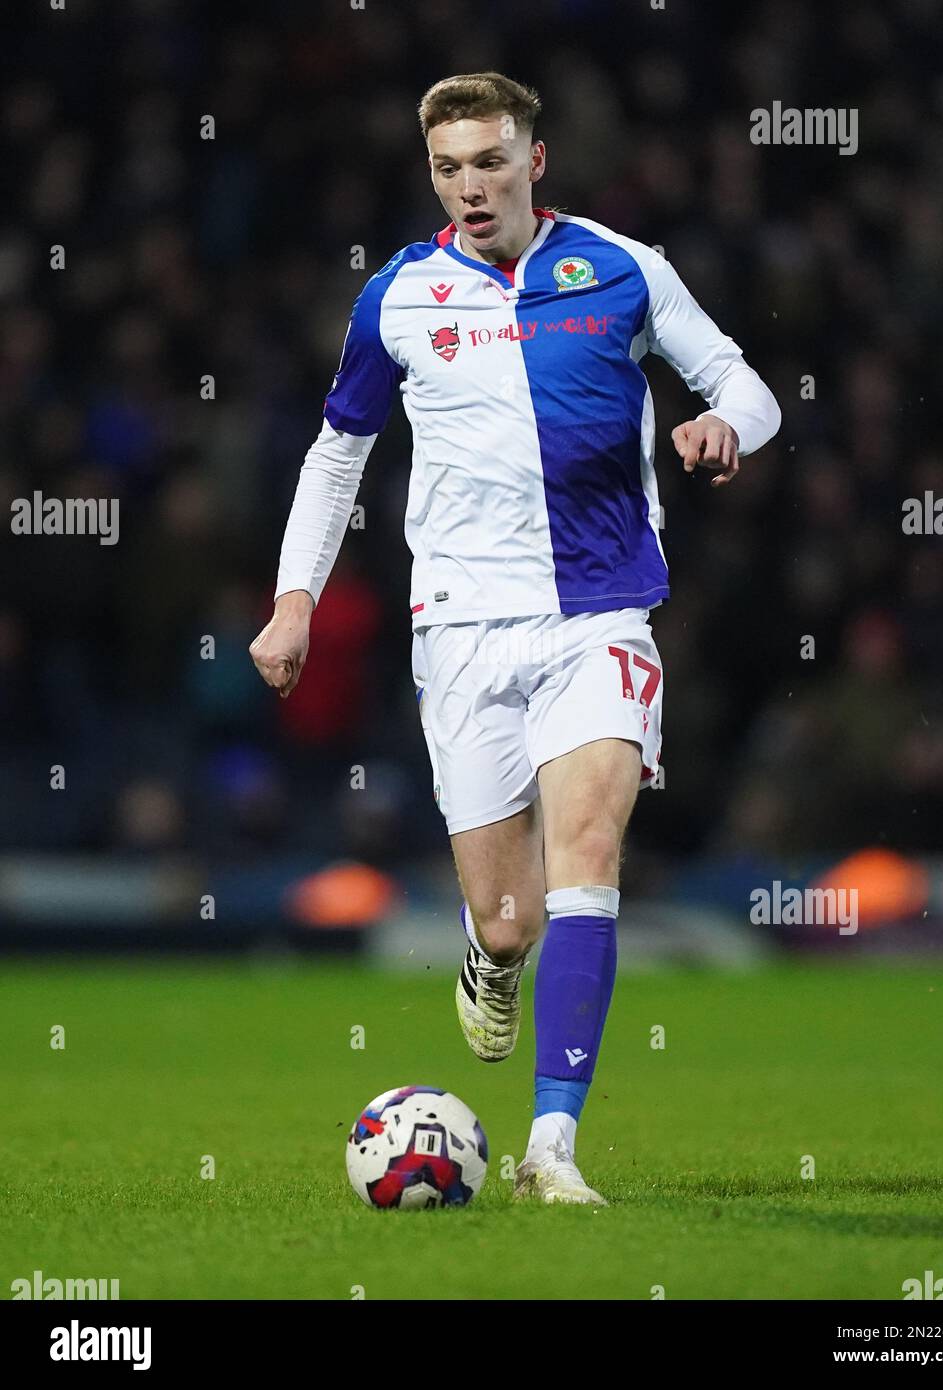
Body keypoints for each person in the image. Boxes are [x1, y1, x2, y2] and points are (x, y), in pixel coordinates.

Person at [250, 71, 780, 1204]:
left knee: (587, 857)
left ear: (535, 159)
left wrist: (725, 420)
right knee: (510, 914)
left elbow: (743, 378)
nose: (470, 186)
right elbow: (337, 450)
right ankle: (492, 964)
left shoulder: (622, 269)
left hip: (599, 614)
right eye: (448, 168)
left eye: (490, 161)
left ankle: (552, 1147)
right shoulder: (397, 295)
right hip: (461, 631)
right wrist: (295, 597)